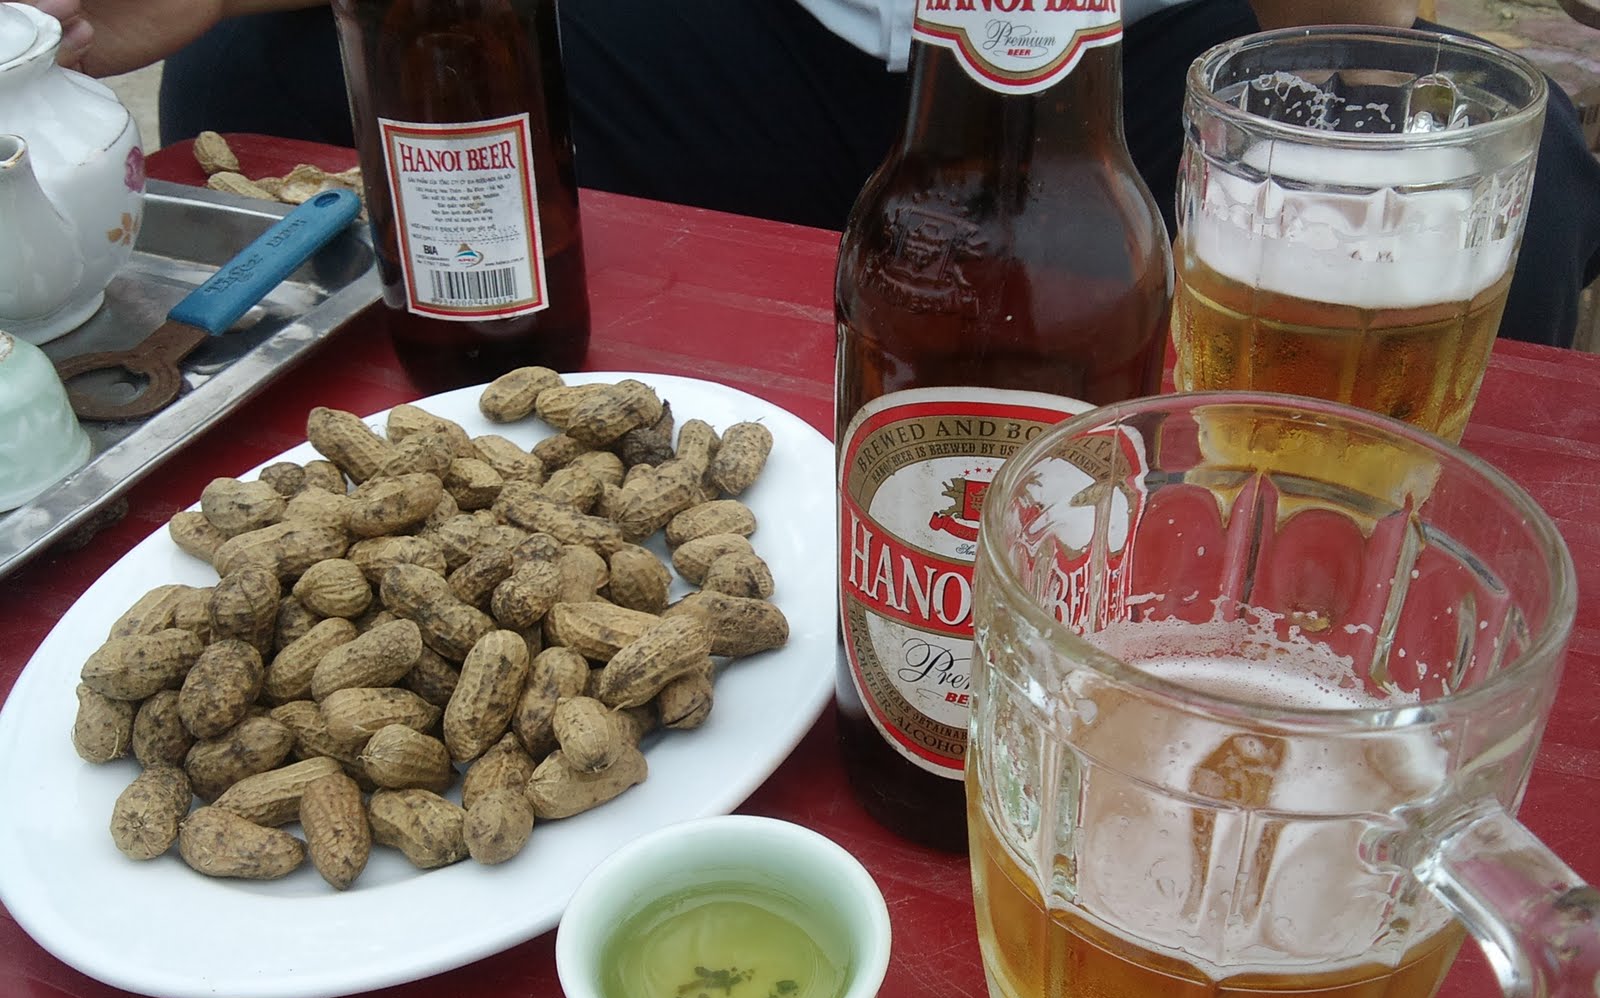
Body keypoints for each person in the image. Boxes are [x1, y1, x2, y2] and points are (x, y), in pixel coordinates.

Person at [30, 0, 1600, 347]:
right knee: (265, 77)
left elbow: (1350, 27)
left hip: (1120, 50)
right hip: (775, 35)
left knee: (1516, 217)